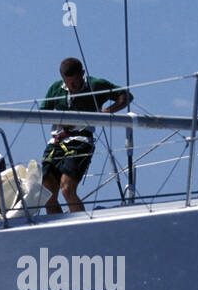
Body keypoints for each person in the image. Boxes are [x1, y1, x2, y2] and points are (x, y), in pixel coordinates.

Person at [38, 57, 132, 213]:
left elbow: (126, 96)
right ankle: (60, 231)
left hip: (80, 141)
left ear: (82, 73)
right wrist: (61, 122)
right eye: (68, 83)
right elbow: (42, 112)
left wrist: (106, 112)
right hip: (56, 142)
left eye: (75, 82)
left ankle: (79, 226)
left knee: (67, 189)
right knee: (47, 194)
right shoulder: (56, 88)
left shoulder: (96, 85)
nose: (72, 87)